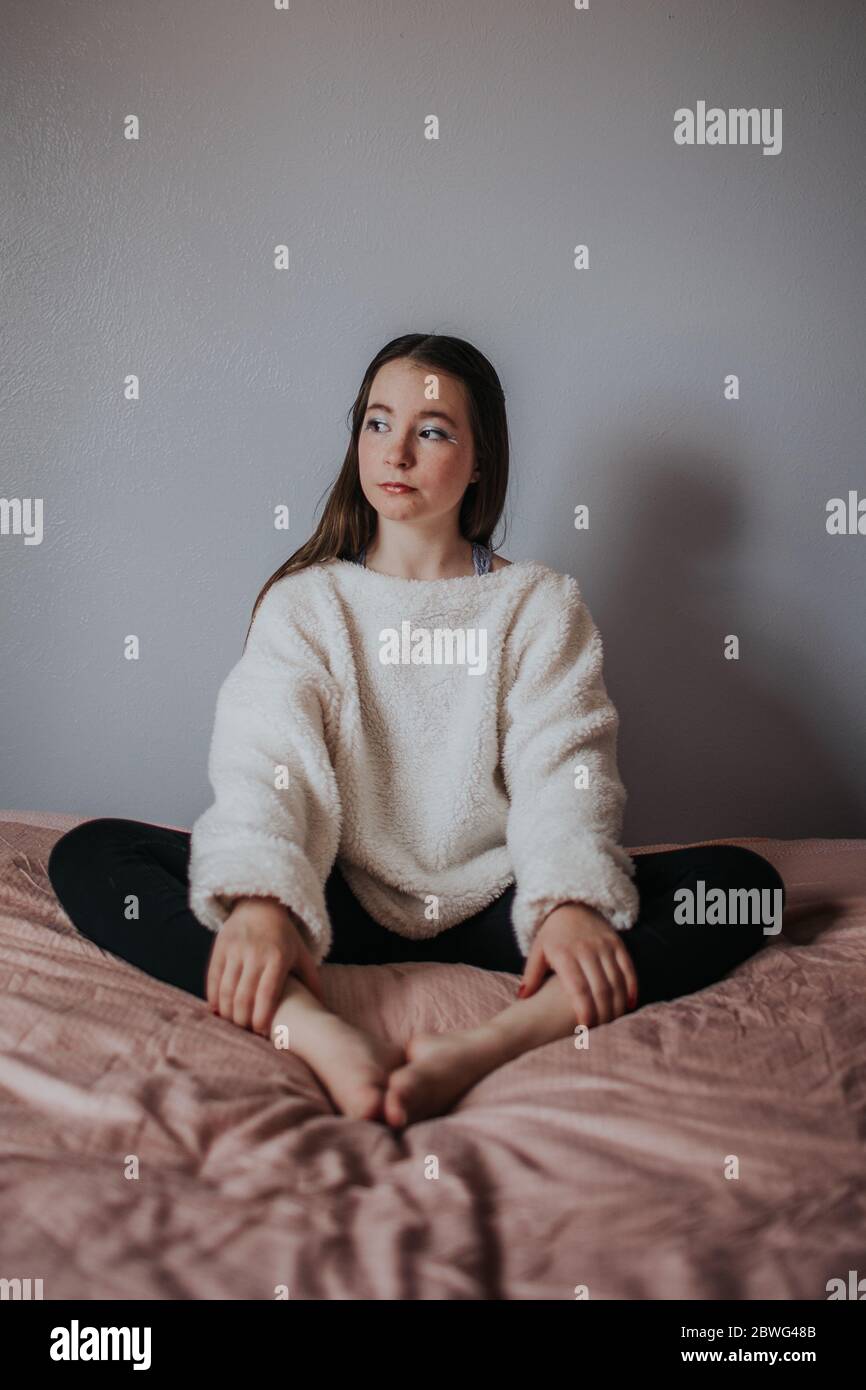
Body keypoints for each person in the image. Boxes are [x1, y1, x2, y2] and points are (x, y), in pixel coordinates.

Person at [47, 332, 786, 1130]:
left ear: (478, 463)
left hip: (499, 901)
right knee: (93, 853)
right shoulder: (309, 601)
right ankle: (316, 1033)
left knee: (748, 889)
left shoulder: (538, 605)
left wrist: (570, 900)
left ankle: (499, 1041)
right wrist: (263, 902)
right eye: (376, 423)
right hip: (337, 899)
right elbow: (267, 760)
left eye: (432, 430)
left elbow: (563, 763)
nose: (395, 450)